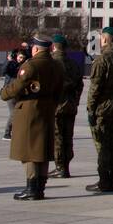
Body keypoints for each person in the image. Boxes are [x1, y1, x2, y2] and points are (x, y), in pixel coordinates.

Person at [0, 34, 64, 200]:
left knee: (29, 151)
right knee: (42, 150)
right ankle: (40, 187)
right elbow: (60, 89)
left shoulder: (31, 66)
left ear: (35, 49)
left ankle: (31, 188)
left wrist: (4, 93)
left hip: (29, 111)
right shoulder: (56, 65)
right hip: (47, 110)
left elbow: (16, 87)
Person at [86, 25, 113, 194]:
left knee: (103, 145)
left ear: (104, 39)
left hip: (103, 105)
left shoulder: (102, 59)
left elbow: (95, 87)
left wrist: (91, 109)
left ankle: (104, 181)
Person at [50, 33, 84, 179]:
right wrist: (76, 100)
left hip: (57, 105)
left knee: (58, 136)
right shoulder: (73, 64)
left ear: (53, 47)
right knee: (68, 136)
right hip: (71, 104)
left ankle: (60, 167)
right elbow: (80, 85)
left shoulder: (52, 63)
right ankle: (66, 166)